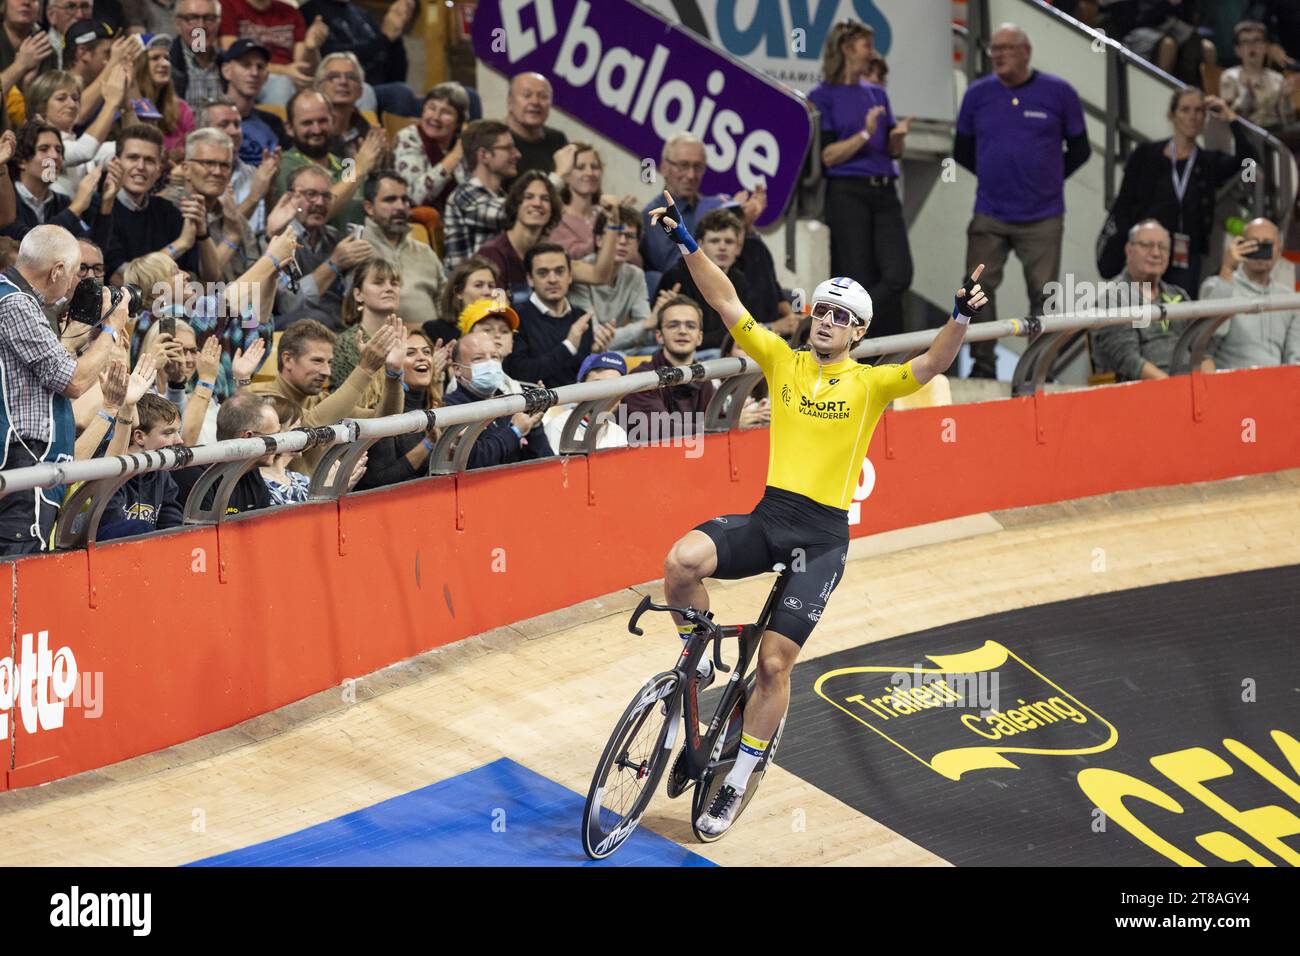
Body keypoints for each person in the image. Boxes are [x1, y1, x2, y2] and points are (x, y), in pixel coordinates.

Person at [649, 188, 987, 836]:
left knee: (776, 663)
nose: (828, 320)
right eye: (822, 310)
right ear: (809, 316)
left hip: (822, 539)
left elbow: (935, 361)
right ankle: (699, 653)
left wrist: (960, 318)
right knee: (680, 562)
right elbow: (724, 298)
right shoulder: (782, 359)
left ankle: (743, 771)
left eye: (842, 315)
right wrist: (687, 241)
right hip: (771, 517)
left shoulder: (871, 382)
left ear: (859, 332)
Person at [953, 22, 1089, 378]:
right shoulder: (977, 94)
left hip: (1043, 216)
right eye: (994, 49)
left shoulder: (1058, 92)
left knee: (1044, 295)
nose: (998, 55)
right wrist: (995, 177)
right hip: (990, 212)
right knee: (976, 289)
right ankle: (983, 366)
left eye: (1006, 48)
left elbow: (1081, 148)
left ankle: (1037, 370)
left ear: (1026, 52)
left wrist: (1046, 179)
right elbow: (962, 150)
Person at [0, 224, 130, 554]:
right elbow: (74, 381)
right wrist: (112, 330)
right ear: (57, 269)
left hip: (29, 466)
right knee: (21, 581)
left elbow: (55, 365)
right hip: (25, 467)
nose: (75, 284)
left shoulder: (17, 300)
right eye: (73, 273)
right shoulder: (15, 304)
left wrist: (79, 330)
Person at [809, 19, 913, 340]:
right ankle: (860, 344)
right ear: (846, 48)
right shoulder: (822, 95)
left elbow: (891, 151)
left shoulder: (877, 93)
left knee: (899, 274)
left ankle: (855, 320)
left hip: (883, 190)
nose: (873, 52)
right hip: (846, 192)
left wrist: (897, 137)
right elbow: (827, 156)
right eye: (866, 45)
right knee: (859, 275)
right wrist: (865, 132)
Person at [1098, 87, 1255, 295]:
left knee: (1177, 319)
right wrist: (1128, 242)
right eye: (1185, 109)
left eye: (1199, 111)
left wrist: (1231, 119)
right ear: (1172, 115)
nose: (1192, 116)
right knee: (1140, 313)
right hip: (1147, 248)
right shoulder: (1146, 154)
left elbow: (1249, 162)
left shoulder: (1207, 162)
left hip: (1185, 257)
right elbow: (1124, 202)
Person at [250, 315, 403, 476]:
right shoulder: (263, 401)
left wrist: (394, 374)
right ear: (288, 360)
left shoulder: (322, 400)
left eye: (329, 362)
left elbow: (385, 421)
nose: (326, 372)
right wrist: (365, 369)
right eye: (317, 361)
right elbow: (308, 429)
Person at [475, 171, 616, 302]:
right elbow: (495, 313)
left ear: (552, 210)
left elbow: (599, 275)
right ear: (516, 205)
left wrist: (613, 223)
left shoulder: (550, 253)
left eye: (545, 199)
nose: (537, 203)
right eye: (528, 197)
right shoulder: (493, 254)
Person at [1091, 219, 1204, 381]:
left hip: (1187, 388)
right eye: (1147, 245)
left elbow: (1202, 350)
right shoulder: (1112, 298)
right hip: (1141, 394)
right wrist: (1176, 389)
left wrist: (1208, 385)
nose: (1156, 253)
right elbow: (1129, 362)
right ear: (1129, 251)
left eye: (1163, 247)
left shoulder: (1178, 295)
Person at [270, 162, 370, 329]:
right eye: (311, 194)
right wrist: (333, 264)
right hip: (294, 330)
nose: (320, 203)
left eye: (326, 196)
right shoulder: (279, 238)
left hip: (336, 326)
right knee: (320, 318)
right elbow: (288, 304)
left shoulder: (335, 238)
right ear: (289, 197)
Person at [274, 88, 386, 230]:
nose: (316, 130)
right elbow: (310, 214)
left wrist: (376, 167)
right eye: (307, 123)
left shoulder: (347, 164)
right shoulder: (285, 164)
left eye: (322, 121)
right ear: (289, 127)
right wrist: (359, 169)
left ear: (333, 121)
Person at [440, 329, 554, 469]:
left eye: (494, 357)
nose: (489, 364)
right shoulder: (448, 407)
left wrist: (534, 424)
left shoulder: (512, 401)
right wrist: (515, 432)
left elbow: (546, 463)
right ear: (457, 369)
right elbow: (471, 461)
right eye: (478, 358)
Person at [353, 328, 451, 490]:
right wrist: (428, 443)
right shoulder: (383, 410)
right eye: (410, 353)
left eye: (427, 352)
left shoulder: (435, 405)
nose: (422, 357)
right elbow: (379, 480)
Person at [506, 242, 612, 387]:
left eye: (559, 271)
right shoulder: (515, 319)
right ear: (530, 279)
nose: (553, 279)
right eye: (543, 273)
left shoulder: (581, 317)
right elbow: (520, 373)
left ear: (569, 276)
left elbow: (580, 375)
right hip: (539, 406)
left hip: (580, 401)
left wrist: (595, 354)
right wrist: (568, 346)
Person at [104, 124, 201, 278]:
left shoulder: (169, 211)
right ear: (116, 163)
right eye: (133, 158)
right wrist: (180, 244)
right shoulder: (101, 211)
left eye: (149, 160)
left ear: (158, 170)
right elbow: (122, 278)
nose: (140, 166)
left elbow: (191, 275)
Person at [1201, 217, 1300, 368]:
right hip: (1229, 383)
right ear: (1241, 245)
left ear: (1279, 251)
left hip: (1276, 385)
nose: (1259, 249)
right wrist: (1227, 269)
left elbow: (1295, 357)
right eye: (1253, 243)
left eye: (1266, 244)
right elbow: (1209, 337)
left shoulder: (1289, 299)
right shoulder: (1215, 285)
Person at [619, 294, 715, 441]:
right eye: (673, 325)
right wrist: (721, 426)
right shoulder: (641, 378)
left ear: (700, 337)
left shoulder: (705, 381)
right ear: (659, 336)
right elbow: (657, 431)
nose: (682, 331)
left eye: (691, 326)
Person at [1, 120, 112, 246]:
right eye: (44, 149)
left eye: (59, 150)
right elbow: (31, 244)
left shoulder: (62, 202)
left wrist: (106, 204)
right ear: (22, 161)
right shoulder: (7, 201)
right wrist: (75, 209)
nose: (54, 156)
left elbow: (91, 251)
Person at [299, 0, 419, 117]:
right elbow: (333, 59)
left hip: (378, 88)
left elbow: (397, 77)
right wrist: (385, 38)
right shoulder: (310, 12)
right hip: (344, 86)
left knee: (426, 101)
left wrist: (395, 38)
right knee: (399, 93)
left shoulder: (362, 14)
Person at [639, 132, 724, 295]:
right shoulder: (655, 215)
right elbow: (673, 267)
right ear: (664, 167)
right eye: (683, 165)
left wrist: (743, 223)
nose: (691, 175)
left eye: (697, 167)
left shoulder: (713, 208)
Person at [655, 209, 751, 353]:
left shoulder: (739, 279)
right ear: (700, 244)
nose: (722, 247)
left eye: (729, 242)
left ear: (738, 248)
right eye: (714, 241)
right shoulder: (676, 277)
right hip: (687, 352)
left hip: (723, 350)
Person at [25, 65, 126, 197]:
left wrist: (128, 107)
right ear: (41, 106)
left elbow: (131, 149)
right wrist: (111, 103)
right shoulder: (37, 142)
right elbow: (84, 151)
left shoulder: (78, 143)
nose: (72, 104)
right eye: (61, 98)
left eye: (75, 98)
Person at [95, 392, 186, 539]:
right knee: (140, 528)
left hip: (147, 555)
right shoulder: (106, 465)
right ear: (139, 437)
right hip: (106, 555)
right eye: (168, 433)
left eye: (178, 432)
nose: (180, 440)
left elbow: (173, 528)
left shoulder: (162, 474)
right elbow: (112, 532)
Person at [360, 171, 445, 321]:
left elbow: (443, 302)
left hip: (433, 340)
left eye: (405, 200)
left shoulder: (424, 251)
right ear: (369, 207)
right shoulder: (357, 248)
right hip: (379, 341)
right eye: (390, 200)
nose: (400, 206)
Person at [569, 203, 654, 352]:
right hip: (585, 353)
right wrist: (644, 326)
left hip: (619, 350)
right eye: (615, 234)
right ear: (599, 240)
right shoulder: (582, 273)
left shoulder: (636, 274)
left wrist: (654, 322)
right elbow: (591, 339)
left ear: (637, 245)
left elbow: (647, 335)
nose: (622, 241)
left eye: (629, 236)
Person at [217, 0, 326, 106]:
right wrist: (284, 71)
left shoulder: (291, 12)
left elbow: (302, 70)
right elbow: (231, 55)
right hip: (250, 73)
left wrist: (310, 48)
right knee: (281, 84)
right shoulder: (229, 5)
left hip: (289, 80)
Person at [443, 119, 518, 270]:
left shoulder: (501, 196)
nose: (517, 154)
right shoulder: (464, 195)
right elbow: (514, 213)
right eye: (508, 148)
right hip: (469, 289)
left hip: (499, 287)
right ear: (484, 155)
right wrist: (558, 177)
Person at [394, 83, 469, 213]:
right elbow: (414, 197)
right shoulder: (408, 137)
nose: (436, 117)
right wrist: (454, 157)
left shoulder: (462, 144)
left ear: (458, 122)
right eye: (432, 108)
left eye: (446, 112)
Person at [330, 256, 402, 388]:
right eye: (378, 282)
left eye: (394, 283)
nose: (389, 288)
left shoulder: (410, 338)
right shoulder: (345, 344)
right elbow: (345, 400)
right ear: (358, 294)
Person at [219, 38, 290, 166]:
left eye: (260, 66)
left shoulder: (273, 122)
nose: (254, 73)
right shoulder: (210, 118)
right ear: (226, 71)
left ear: (266, 76)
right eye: (246, 65)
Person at [1219, 21, 1298, 132]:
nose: (1252, 46)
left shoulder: (1276, 78)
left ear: (1265, 47)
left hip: (1275, 132)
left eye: (1256, 40)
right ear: (1238, 50)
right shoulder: (1230, 77)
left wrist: (1285, 98)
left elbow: (1287, 121)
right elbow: (1228, 116)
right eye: (1245, 41)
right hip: (1246, 133)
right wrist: (1247, 97)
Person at [543, 351, 629, 451]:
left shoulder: (618, 433)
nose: (607, 394)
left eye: (616, 387)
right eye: (598, 385)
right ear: (581, 390)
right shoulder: (559, 427)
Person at [505, 72, 568, 180]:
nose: (535, 102)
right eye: (527, 95)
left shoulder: (557, 140)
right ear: (510, 101)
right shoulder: (497, 141)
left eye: (543, 97)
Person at [428, 255, 499, 345]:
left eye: (491, 286)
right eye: (478, 285)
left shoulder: (504, 326)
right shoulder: (435, 330)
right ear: (458, 292)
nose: (487, 292)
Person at [169, 0, 225, 113]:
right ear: (178, 24)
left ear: (219, 23)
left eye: (209, 18)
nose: (201, 26)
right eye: (192, 18)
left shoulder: (230, 62)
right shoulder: (164, 63)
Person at [314, 51, 371, 160]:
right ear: (319, 87)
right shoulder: (311, 130)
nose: (343, 81)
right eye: (334, 76)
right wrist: (360, 168)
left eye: (351, 77)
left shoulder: (366, 133)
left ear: (360, 91)